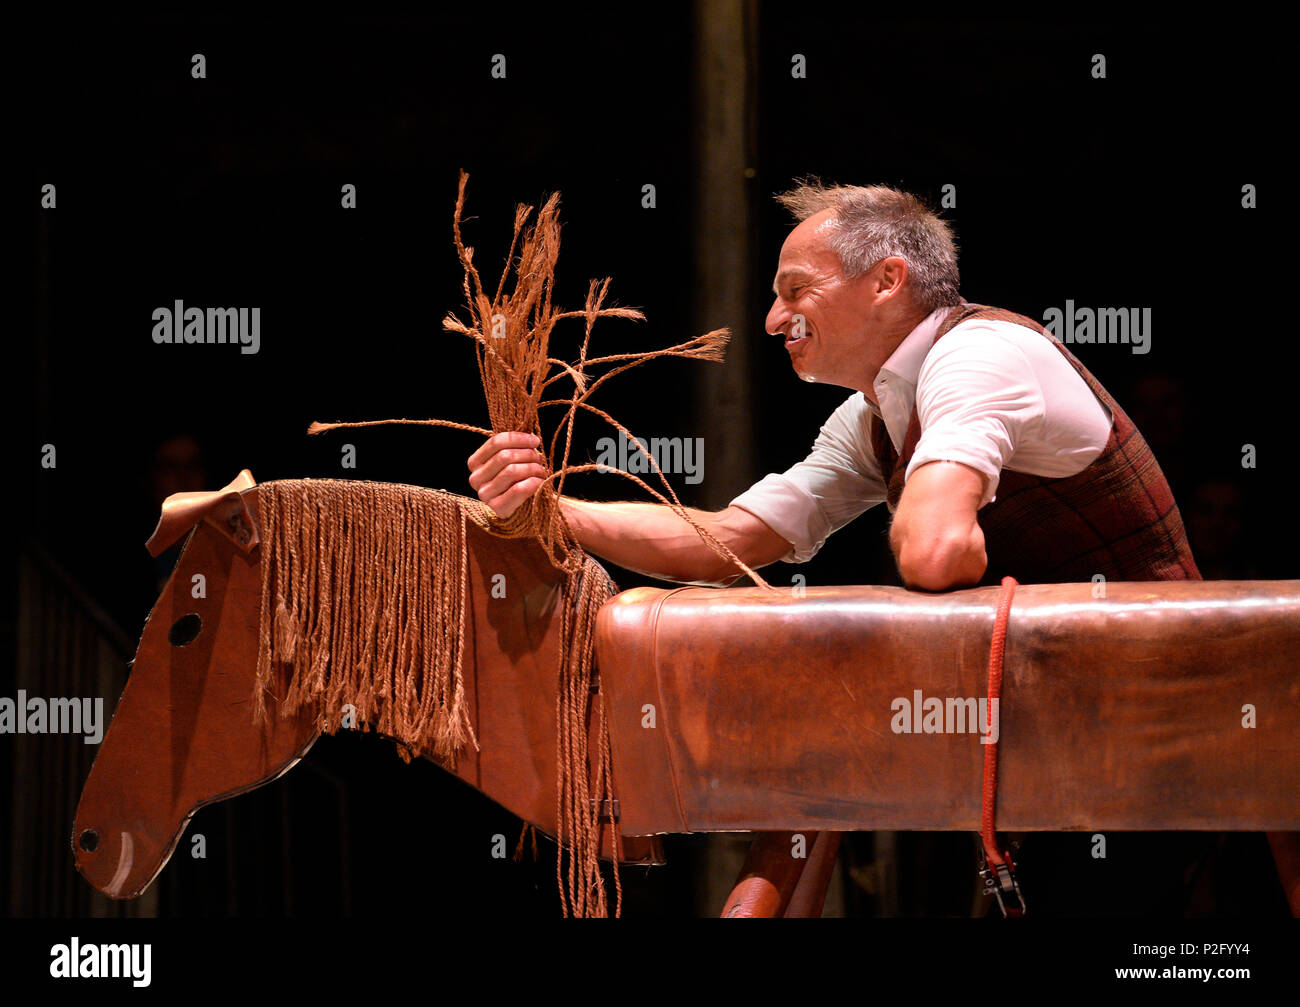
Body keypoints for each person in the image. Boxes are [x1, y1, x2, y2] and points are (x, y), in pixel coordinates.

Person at [468, 181, 1223, 916]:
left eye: (796, 291)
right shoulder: (873, 414)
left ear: (888, 280)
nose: (772, 320)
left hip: (1159, 718)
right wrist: (550, 511)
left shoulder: (980, 356)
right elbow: (726, 542)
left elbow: (932, 552)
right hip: (1055, 728)